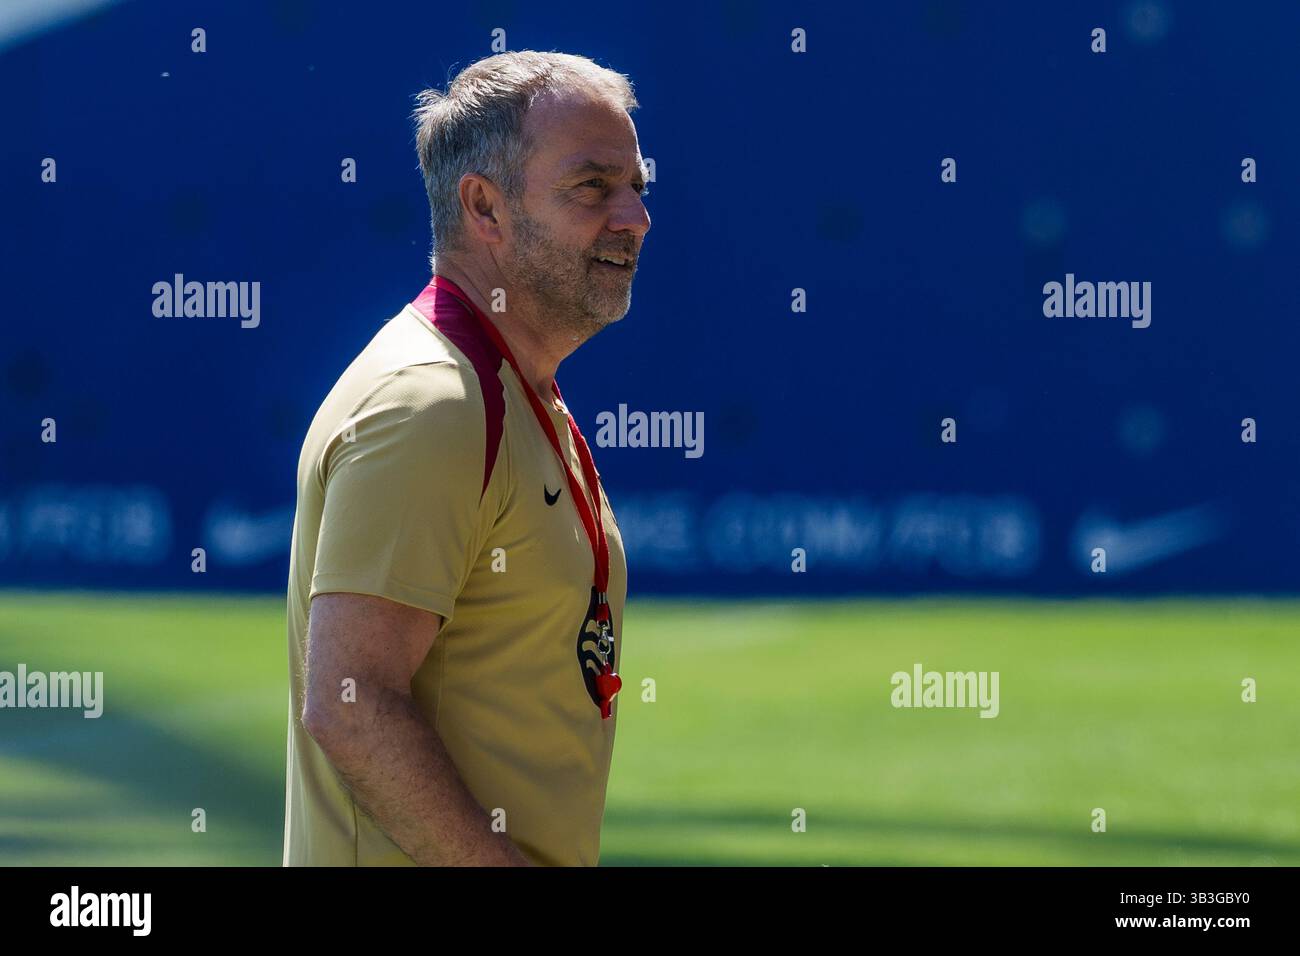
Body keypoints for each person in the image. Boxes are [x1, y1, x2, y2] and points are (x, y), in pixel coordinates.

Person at [282, 50, 651, 866]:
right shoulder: (433, 403)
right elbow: (350, 703)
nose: (635, 216)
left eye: (638, 186)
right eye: (593, 185)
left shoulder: (510, 390)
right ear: (483, 205)